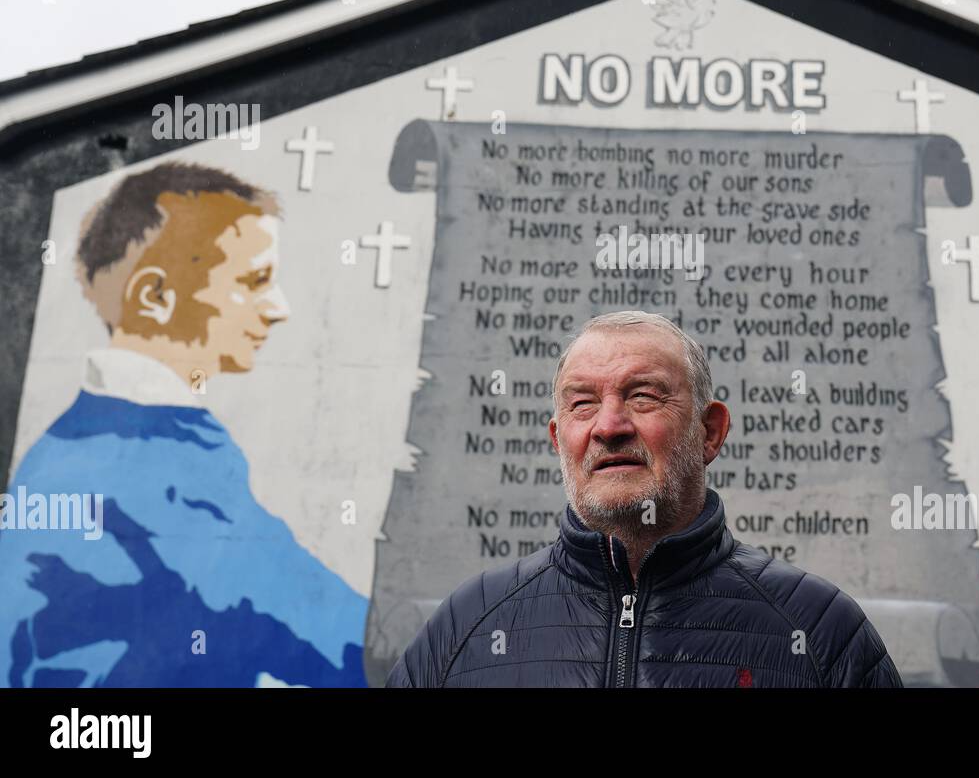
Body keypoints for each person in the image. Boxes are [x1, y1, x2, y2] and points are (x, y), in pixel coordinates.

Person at [387, 310, 902, 688]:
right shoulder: (465, 629)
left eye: (643, 396)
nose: (609, 426)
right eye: (582, 403)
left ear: (709, 432)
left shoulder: (819, 630)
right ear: (558, 438)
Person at [0, 162, 367, 687]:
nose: (278, 308)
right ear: (155, 298)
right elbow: (316, 623)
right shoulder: (166, 463)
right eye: (256, 281)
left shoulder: (69, 443)